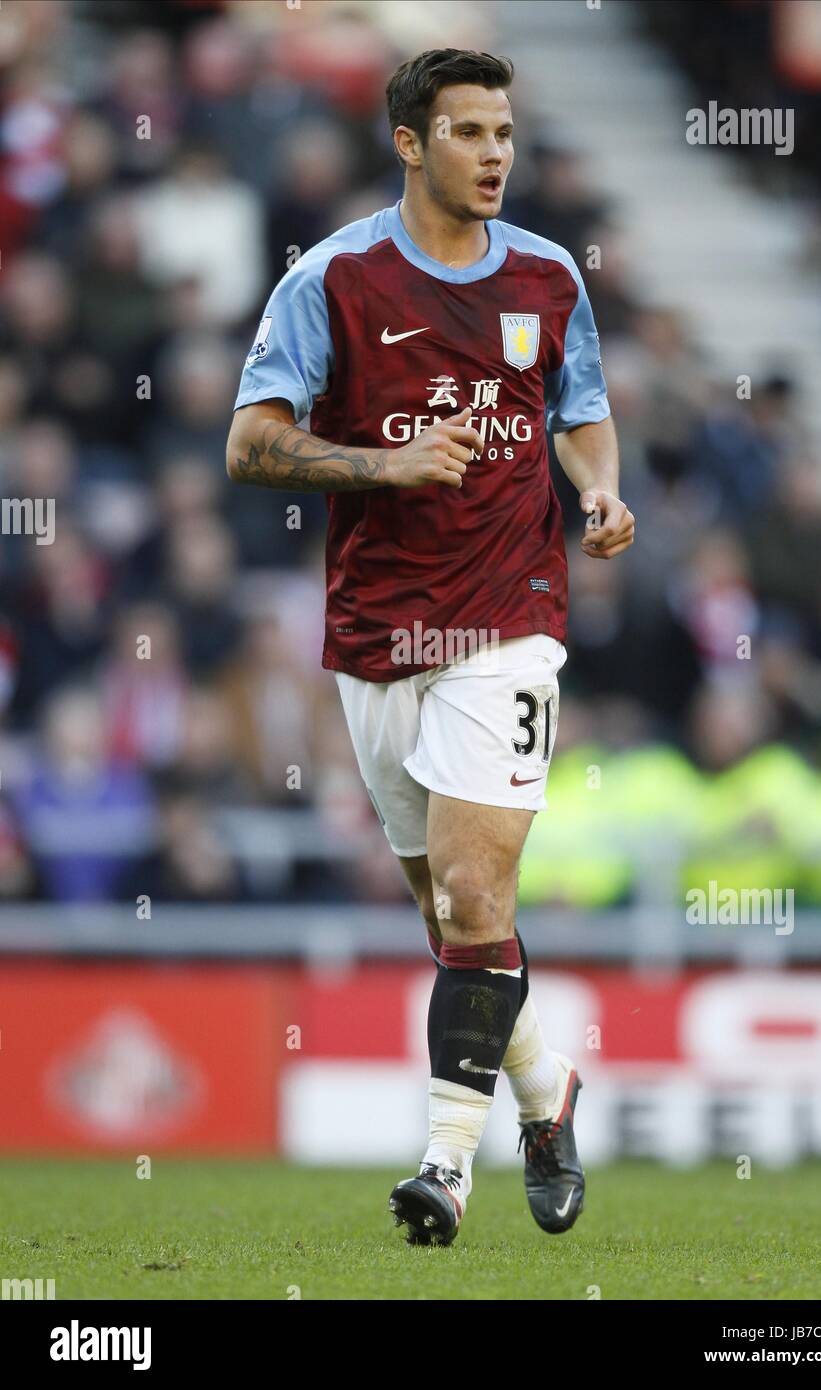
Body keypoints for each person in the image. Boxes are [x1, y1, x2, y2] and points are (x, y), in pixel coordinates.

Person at [226, 48, 634, 1246]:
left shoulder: (552, 278)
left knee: (472, 888)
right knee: (455, 917)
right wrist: (380, 462)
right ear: (409, 143)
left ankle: (444, 1168)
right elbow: (250, 445)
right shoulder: (334, 278)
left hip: (507, 622)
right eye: (467, 132)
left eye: (503, 130)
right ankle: (547, 1087)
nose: (495, 152)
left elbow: (584, 414)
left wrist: (600, 495)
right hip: (375, 636)